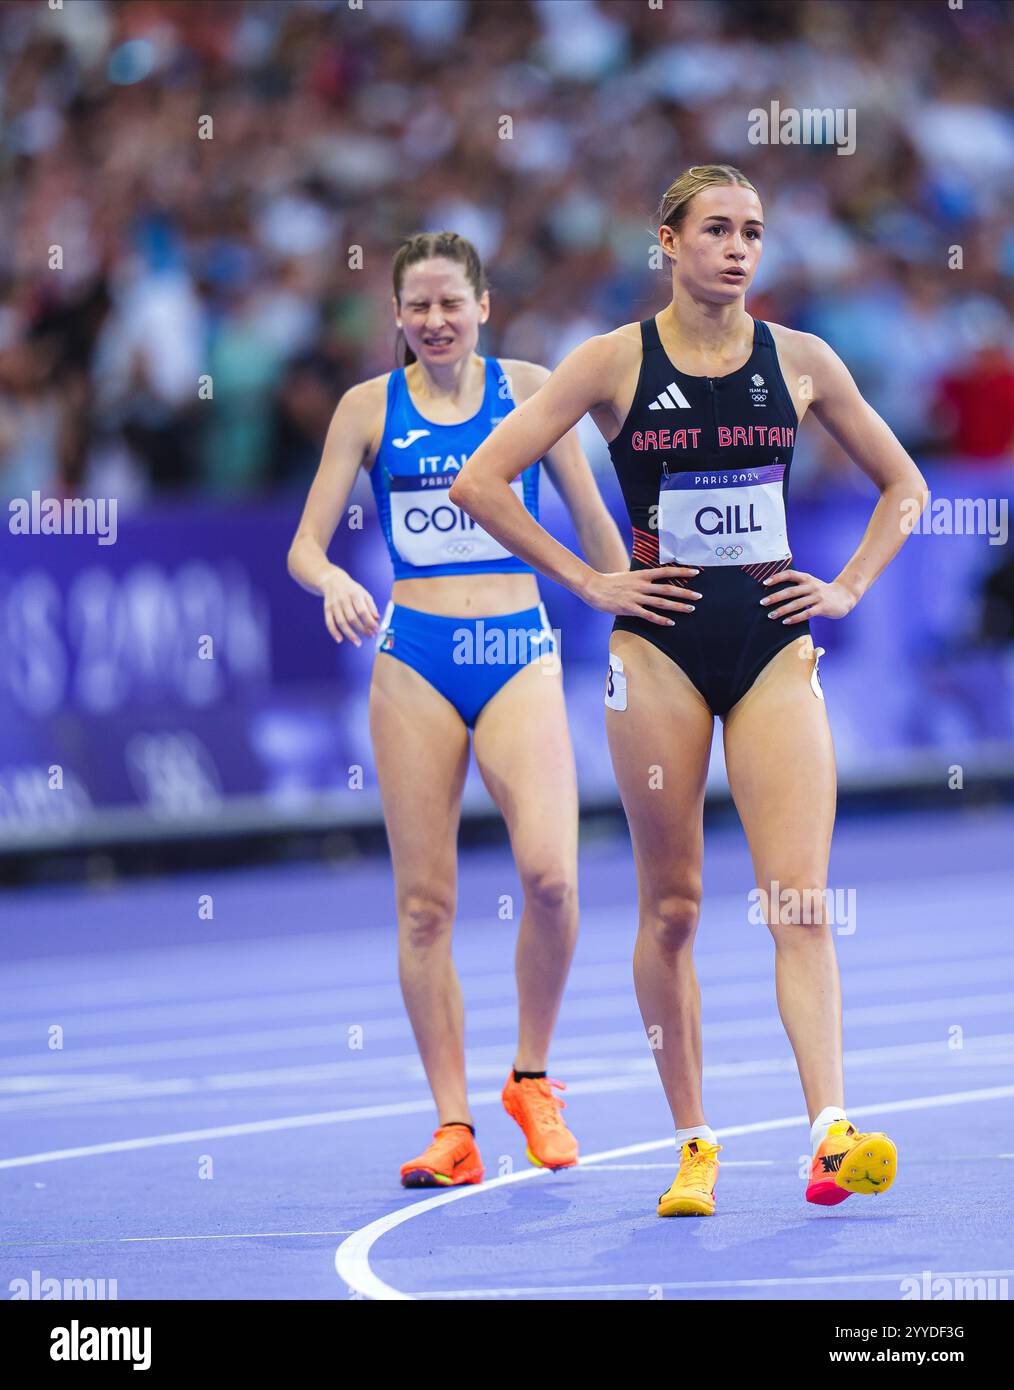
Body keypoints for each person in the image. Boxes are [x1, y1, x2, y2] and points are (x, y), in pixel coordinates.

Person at [450, 166, 929, 1216]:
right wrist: (586, 576)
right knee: (673, 908)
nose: (738, 247)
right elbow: (479, 481)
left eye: (754, 231)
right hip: (657, 652)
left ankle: (830, 1131)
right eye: (716, 229)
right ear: (665, 241)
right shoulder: (613, 361)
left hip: (772, 648)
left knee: (799, 898)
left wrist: (847, 586)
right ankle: (694, 1138)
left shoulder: (800, 360)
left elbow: (909, 485)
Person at [287, 231, 629, 1188]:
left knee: (552, 878)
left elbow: (595, 520)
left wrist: (632, 603)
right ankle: (454, 1127)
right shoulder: (366, 409)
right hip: (415, 659)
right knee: (426, 906)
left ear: (484, 307)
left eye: (451, 304)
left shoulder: (530, 387)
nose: (435, 322)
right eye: (418, 308)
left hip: (516, 650)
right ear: (397, 318)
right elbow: (305, 546)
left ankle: (531, 1077)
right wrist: (330, 585)